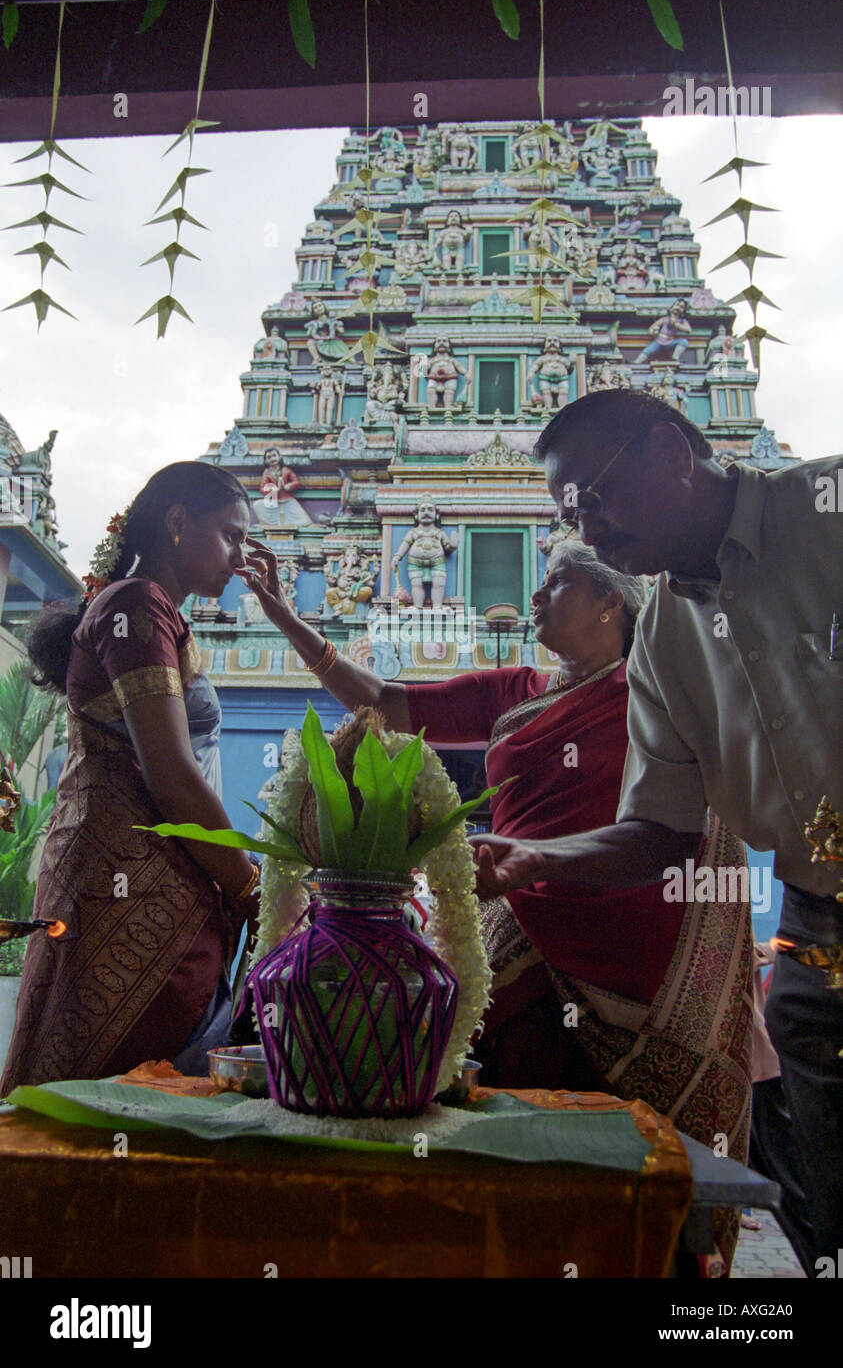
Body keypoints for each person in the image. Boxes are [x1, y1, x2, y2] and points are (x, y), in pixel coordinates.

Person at [237, 533, 755, 1272]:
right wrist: (283, 614)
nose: (537, 595)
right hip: (514, 924)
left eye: (559, 582)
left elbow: (680, 820)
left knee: (633, 1165)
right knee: (506, 1126)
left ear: (611, 600)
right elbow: (384, 704)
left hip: (640, 942)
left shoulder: (662, 688)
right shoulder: (515, 691)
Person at [472, 387, 842, 1274]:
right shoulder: (667, 638)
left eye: (594, 497)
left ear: (671, 452)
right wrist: (531, 859)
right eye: (567, 512)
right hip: (817, 935)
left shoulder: (826, 513)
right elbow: (657, 830)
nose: (585, 528)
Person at [0, 462, 261, 1095]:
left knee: (129, 1106)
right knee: (117, 1101)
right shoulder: (136, 605)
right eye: (230, 534)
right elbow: (171, 774)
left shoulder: (156, 613)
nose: (241, 555)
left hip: (146, 877)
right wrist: (251, 884)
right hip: (126, 882)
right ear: (176, 523)